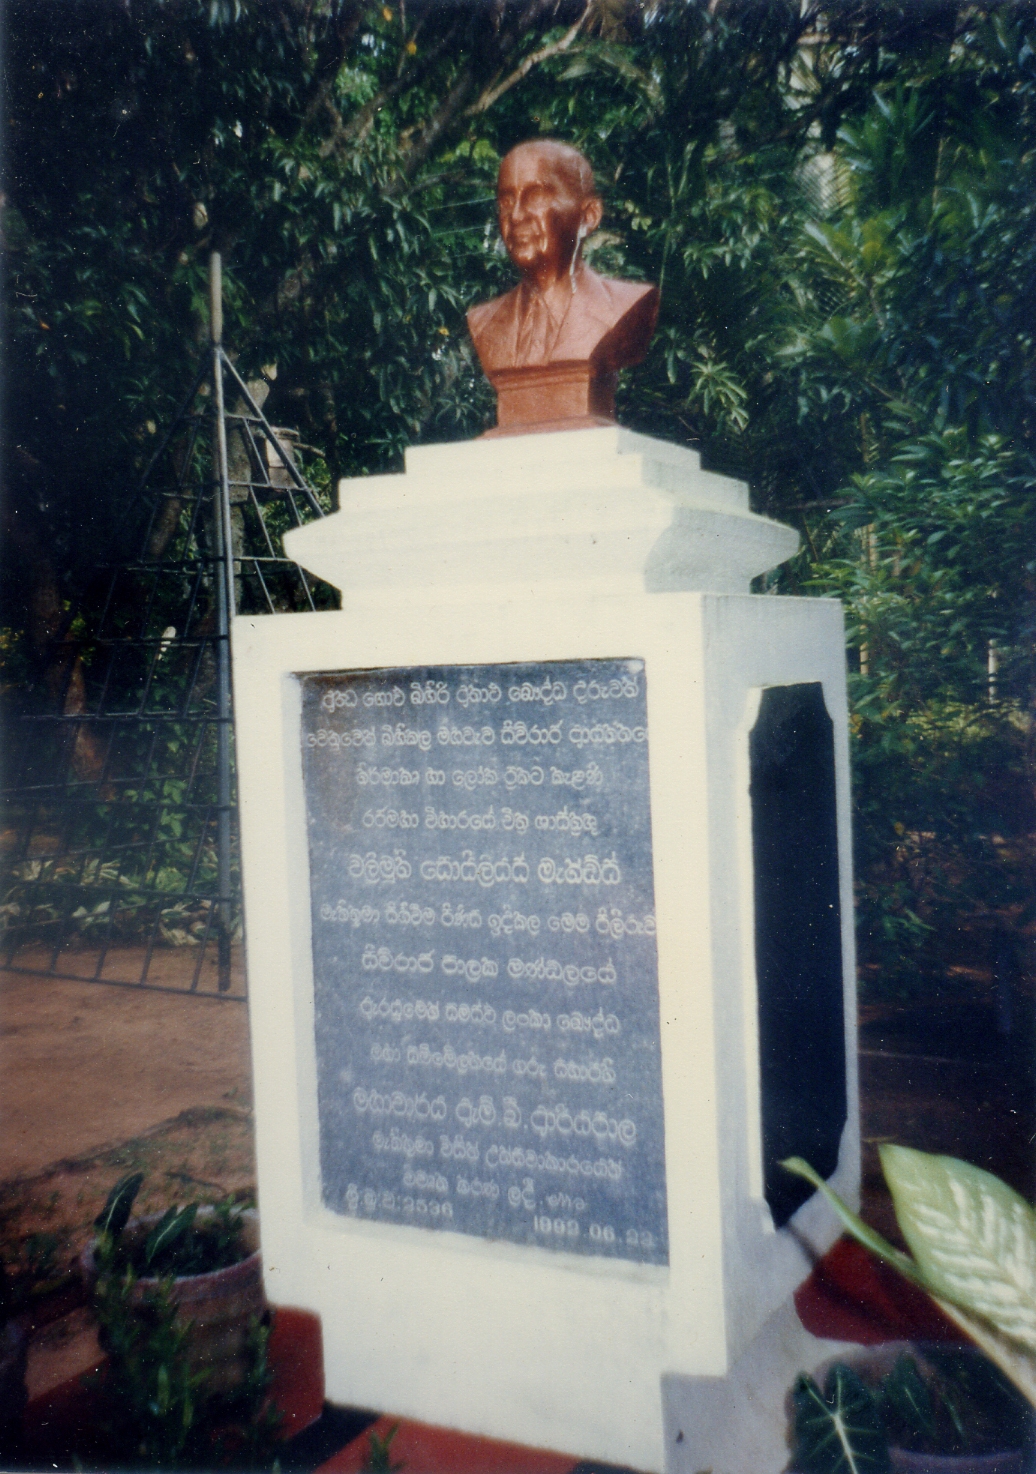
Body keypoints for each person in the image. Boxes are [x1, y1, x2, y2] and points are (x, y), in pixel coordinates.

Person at [467, 139, 658, 430]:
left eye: (535, 196)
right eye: (506, 201)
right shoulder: (484, 322)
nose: (516, 216)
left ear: (588, 216)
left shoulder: (622, 307)